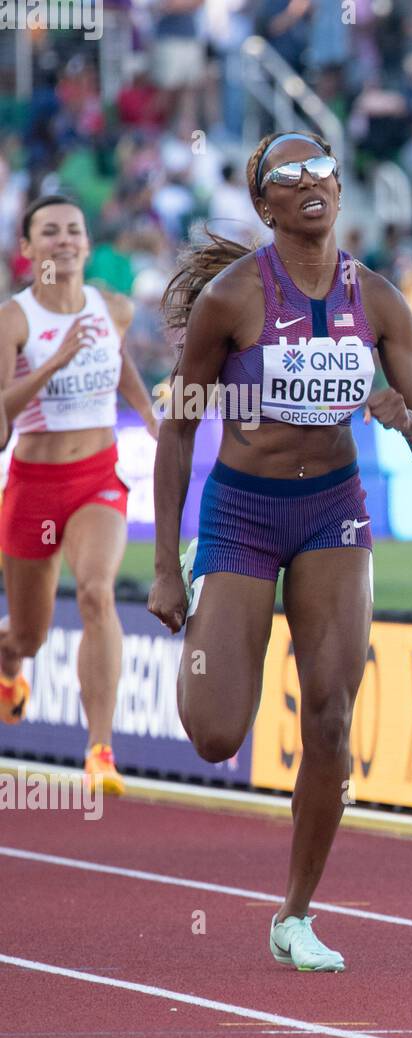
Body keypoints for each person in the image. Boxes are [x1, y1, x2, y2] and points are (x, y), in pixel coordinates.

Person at [149, 131, 412, 972]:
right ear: (264, 204)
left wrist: (408, 422)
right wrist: (171, 565)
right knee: (214, 735)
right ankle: (218, 627)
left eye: (324, 167)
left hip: (333, 515)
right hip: (244, 512)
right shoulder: (230, 298)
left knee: (330, 714)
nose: (311, 181)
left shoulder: (381, 300)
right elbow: (178, 430)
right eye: (289, 174)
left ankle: (296, 914)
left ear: (341, 190)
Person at [0, 194, 160, 795]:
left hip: (97, 476)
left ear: (87, 243)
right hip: (34, 486)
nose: (63, 240)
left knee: (96, 592)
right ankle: (9, 658)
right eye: (49, 232)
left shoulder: (110, 307)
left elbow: (119, 364)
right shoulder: (13, 321)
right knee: (31, 635)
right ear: (28, 249)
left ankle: (99, 750)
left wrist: (146, 413)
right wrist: (51, 363)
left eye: (73, 230)